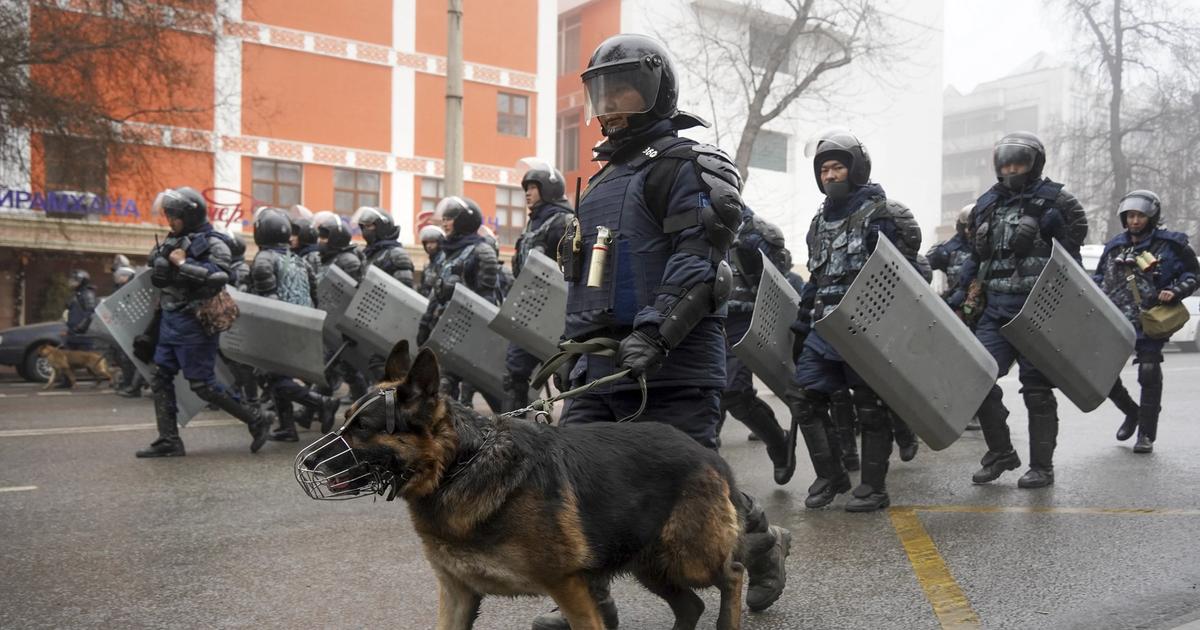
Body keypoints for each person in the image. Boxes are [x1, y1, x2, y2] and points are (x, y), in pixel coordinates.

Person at [530, 34, 788, 630]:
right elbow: (586, 280)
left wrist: (657, 332)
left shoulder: (689, 164)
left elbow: (699, 260)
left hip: (676, 358)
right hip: (603, 363)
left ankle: (762, 546)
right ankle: (591, 604)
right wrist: (573, 346)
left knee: (692, 484)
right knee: (574, 478)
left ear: (656, 90)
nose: (611, 103)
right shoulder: (598, 183)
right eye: (602, 91)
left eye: (624, 88)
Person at [787, 128, 924, 512]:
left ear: (856, 169)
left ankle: (874, 488)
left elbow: (908, 277)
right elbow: (817, 278)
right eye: (824, 169)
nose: (829, 176)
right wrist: (801, 325)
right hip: (823, 326)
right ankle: (832, 475)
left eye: (837, 168)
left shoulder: (883, 214)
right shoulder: (818, 223)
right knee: (804, 398)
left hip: (867, 324)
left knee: (868, 406)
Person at [949, 131, 1088, 488]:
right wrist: (960, 296)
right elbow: (975, 258)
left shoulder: (1057, 203)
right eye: (1006, 163)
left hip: (1036, 311)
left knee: (1036, 390)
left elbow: (1070, 258)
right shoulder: (986, 204)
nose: (1011, 169)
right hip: (995, 308)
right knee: (974, 378)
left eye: (1019, 163)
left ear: (1034, 164)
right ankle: (1001, 452)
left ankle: (1042, 466)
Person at [135, 187, 271, 458]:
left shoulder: (212, 241)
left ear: (189, 215)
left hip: (195, 322)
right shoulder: (174, 238)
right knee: (160, 378)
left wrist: (183, 264)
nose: (170, 221)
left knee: (203, 385)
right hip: (169, 320)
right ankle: (169, 440)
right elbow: (157, 265)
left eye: (174, 215)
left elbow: (221, 276)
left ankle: (257, 418)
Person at [1097, 190, 1198, 453]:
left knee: (1149, 373)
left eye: (1140, 215)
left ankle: (1146, 435)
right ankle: (1132, 412)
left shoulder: (1171, 244)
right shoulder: (1114, 246)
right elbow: (1097, 280)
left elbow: (1193, 273)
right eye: (1130, 215)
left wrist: (1176, 291)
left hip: (1150, 318)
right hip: (1115, 319)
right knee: (1101, 374)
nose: (1135, 221)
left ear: (1151, 217)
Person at [247, 208, 341, 441]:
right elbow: (314, 297)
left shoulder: (264, 259)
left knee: (274, 379)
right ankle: (288, 428)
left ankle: (322, 402)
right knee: (279, 378)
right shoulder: (300, 261)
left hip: (280, 328)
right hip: (303, 326)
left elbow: (267, 302)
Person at [722, 205, 796, 484]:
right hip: (704, 318)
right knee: (704, 396)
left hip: (744, 320)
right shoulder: (689, 222)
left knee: (734, 394)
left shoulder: (754, 232)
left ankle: (778, 441)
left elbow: (777, 278)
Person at [417, 196, 503, 410]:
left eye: (450, 218)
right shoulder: (447, 252)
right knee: (443, 390)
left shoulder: (481, 251)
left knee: (493, 395)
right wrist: (425, 324)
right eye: (443, 218)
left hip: (468, 332)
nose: (444, 223)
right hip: (446, 329)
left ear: (464, 220)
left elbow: (487, 301)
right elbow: (437, 294)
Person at [502, 162, 573, 412]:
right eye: (527, 188)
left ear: (549, 189)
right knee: (513, 375)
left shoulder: (562, 221)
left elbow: (572, 269)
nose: (528, 193)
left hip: (556, 312)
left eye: (534, 187)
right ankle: (512, 435)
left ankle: (570, 432)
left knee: (566, 375)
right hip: (529, 310)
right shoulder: (532, 226)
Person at [355, 206, 415, 288]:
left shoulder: (397, 254)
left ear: (381, 227)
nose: (365, 231)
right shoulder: (367, 254)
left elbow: (404, 292)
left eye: (369, 226)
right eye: (363, 227)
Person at [416, 224, 445, 298]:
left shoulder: (444, 261)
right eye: (427, 243)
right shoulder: (428, 265)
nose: (429, 246)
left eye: (432, 242)